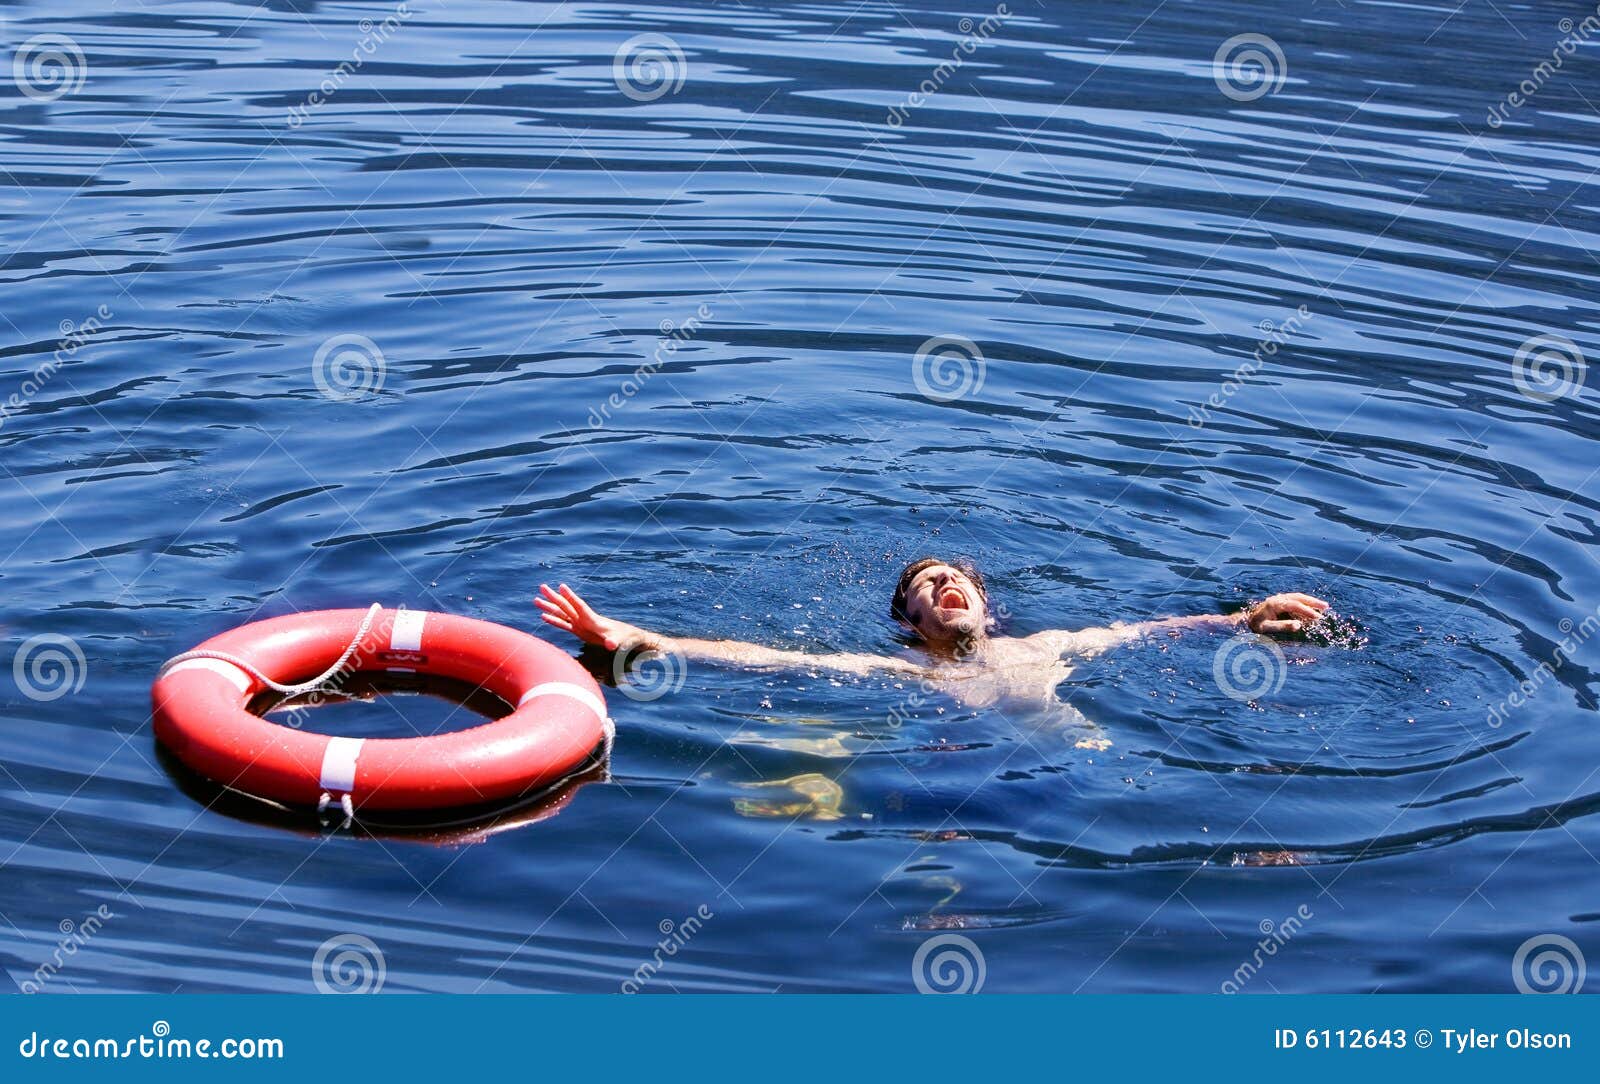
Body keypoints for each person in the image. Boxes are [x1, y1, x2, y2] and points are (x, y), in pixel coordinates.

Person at [534, 557, 1329, 706]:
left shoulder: (1044, 648)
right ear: (912, 624)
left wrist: (1246, 618)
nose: (943, 584)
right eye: (925, 586)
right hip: (965, 783)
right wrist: (635, 638)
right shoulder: (913, 676)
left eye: (955, 580)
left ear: (986, 607)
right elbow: (757, 656)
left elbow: (1149, 630)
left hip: (1069, 766)